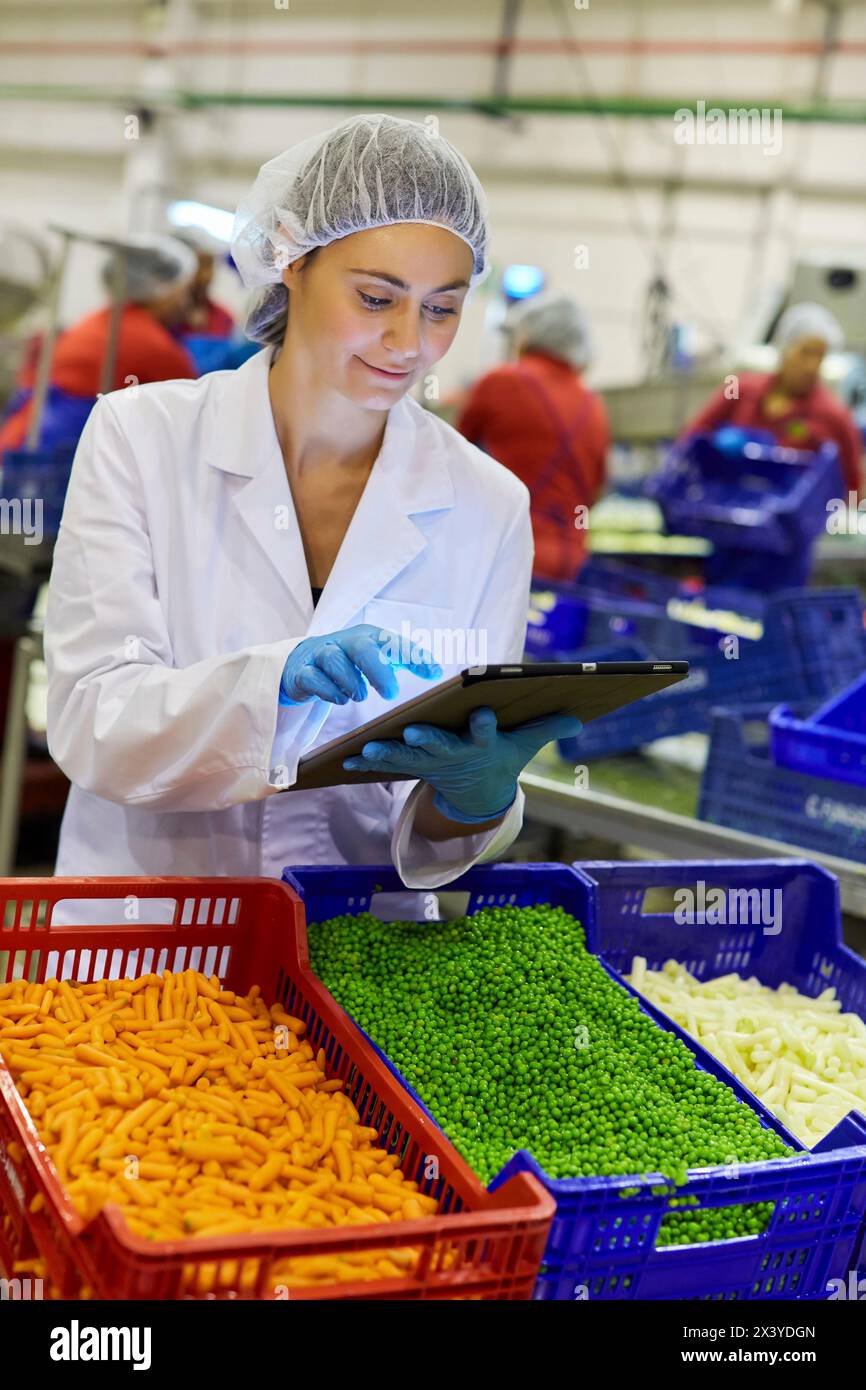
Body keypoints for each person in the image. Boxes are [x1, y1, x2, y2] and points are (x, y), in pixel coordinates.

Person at [44, 113, 581, 890]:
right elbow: (93, 719)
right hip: (145, 942)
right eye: (374, 297)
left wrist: (476, 799)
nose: (408, 342)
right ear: (289, 258)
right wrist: (272, 683)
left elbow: (429, 832)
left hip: (345, 950)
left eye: (442, 308)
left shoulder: (487, 505)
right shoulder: (142, 438)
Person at [456, 293, 609, 584]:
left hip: (500, 552)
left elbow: (453, 460)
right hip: (568, 561)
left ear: (527, 334)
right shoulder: (593, 404)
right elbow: (595, 490)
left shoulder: (499, 381)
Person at [0, 236, 197, 457]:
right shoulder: (155, 345)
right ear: (162, 291)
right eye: (183, 292)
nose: (186, 303)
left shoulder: (99, 320)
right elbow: (188, 415)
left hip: (23, 438)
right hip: (59, 451)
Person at [679, 301, 864, 499]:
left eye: (820, 357)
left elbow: (854, 485)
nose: (812, 366)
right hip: (723, 501)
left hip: (791, 519)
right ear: (784, 348)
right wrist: (713, 444)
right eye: (805, 353)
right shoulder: (739, 389)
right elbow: (690, 439)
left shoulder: (834, 416)